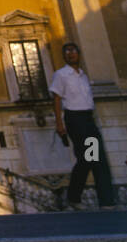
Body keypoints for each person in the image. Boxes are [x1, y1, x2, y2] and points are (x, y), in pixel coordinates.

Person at [49, 41, 116, 209]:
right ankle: (104, 201)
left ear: (79, 54)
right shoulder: (61, 75)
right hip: (75, 119)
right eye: (67, 52)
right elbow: (56, 99)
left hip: (88, 119)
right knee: (91, 157)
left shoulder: (84, 76)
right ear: (64, 56)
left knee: (92, 158)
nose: (70, 54)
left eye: (73, 51)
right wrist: (59, 123)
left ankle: (77, 197)